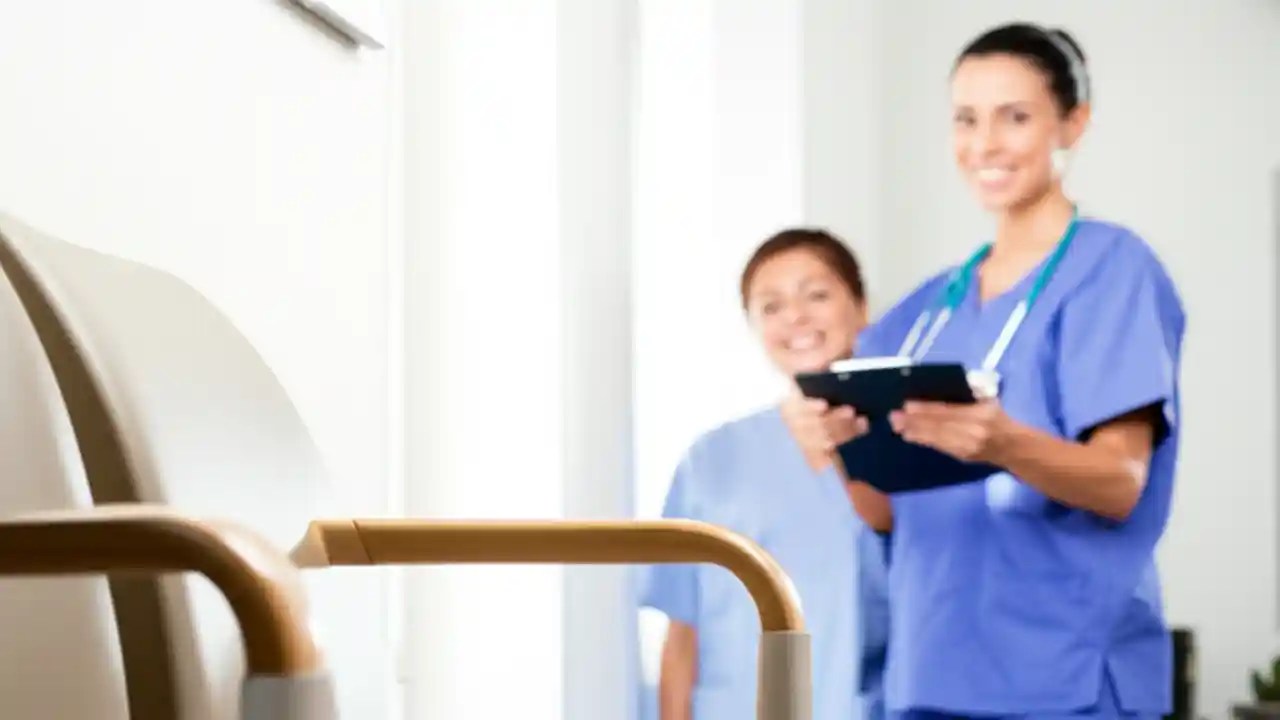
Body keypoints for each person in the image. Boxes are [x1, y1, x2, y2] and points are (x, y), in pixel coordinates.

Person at [784, 22, 1185, 720]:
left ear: (1073, 123)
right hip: (931, 679)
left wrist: (1002, 444)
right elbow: (884, 513)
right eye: (966, 120)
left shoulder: (1112, 272)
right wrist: (837, 447)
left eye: (1015, 117)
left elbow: (1120, 483)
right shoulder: (923, 312)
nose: (985, 144)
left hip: (1068, 684)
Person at [640, 228, 890, 720]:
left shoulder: (914, 448)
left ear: (860, 307)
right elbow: (682, 634)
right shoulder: (712, 460)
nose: (795, 317)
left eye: (816, 295)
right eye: (770, 306)